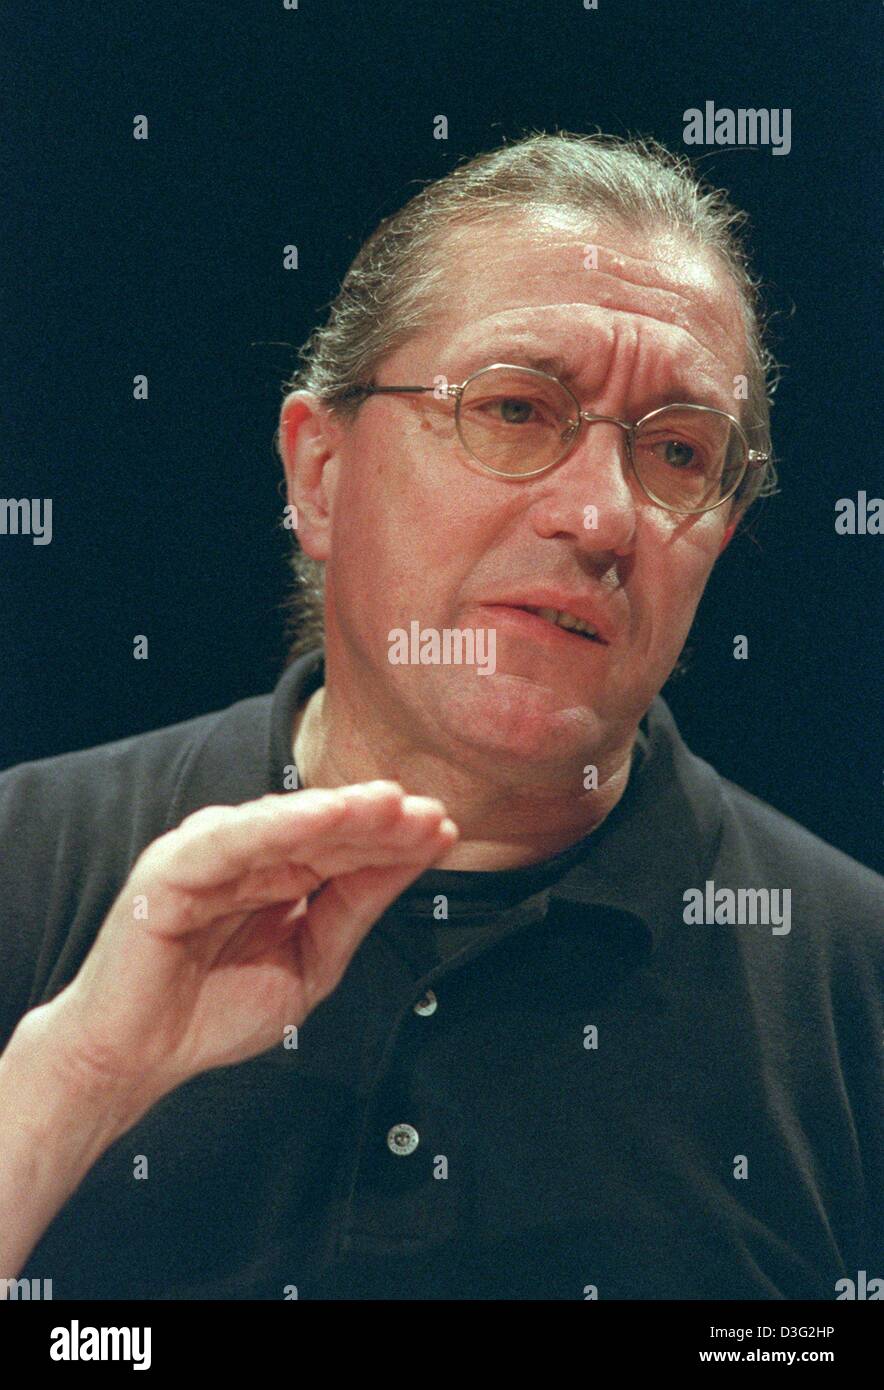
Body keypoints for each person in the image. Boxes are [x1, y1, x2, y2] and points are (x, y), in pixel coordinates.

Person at [1, 132, 881, 1302]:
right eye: (516, 409)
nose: (600, 516)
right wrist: (77, 1075)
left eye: (677, 451)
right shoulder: (22, 860)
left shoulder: (854, 984)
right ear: (319, 475)